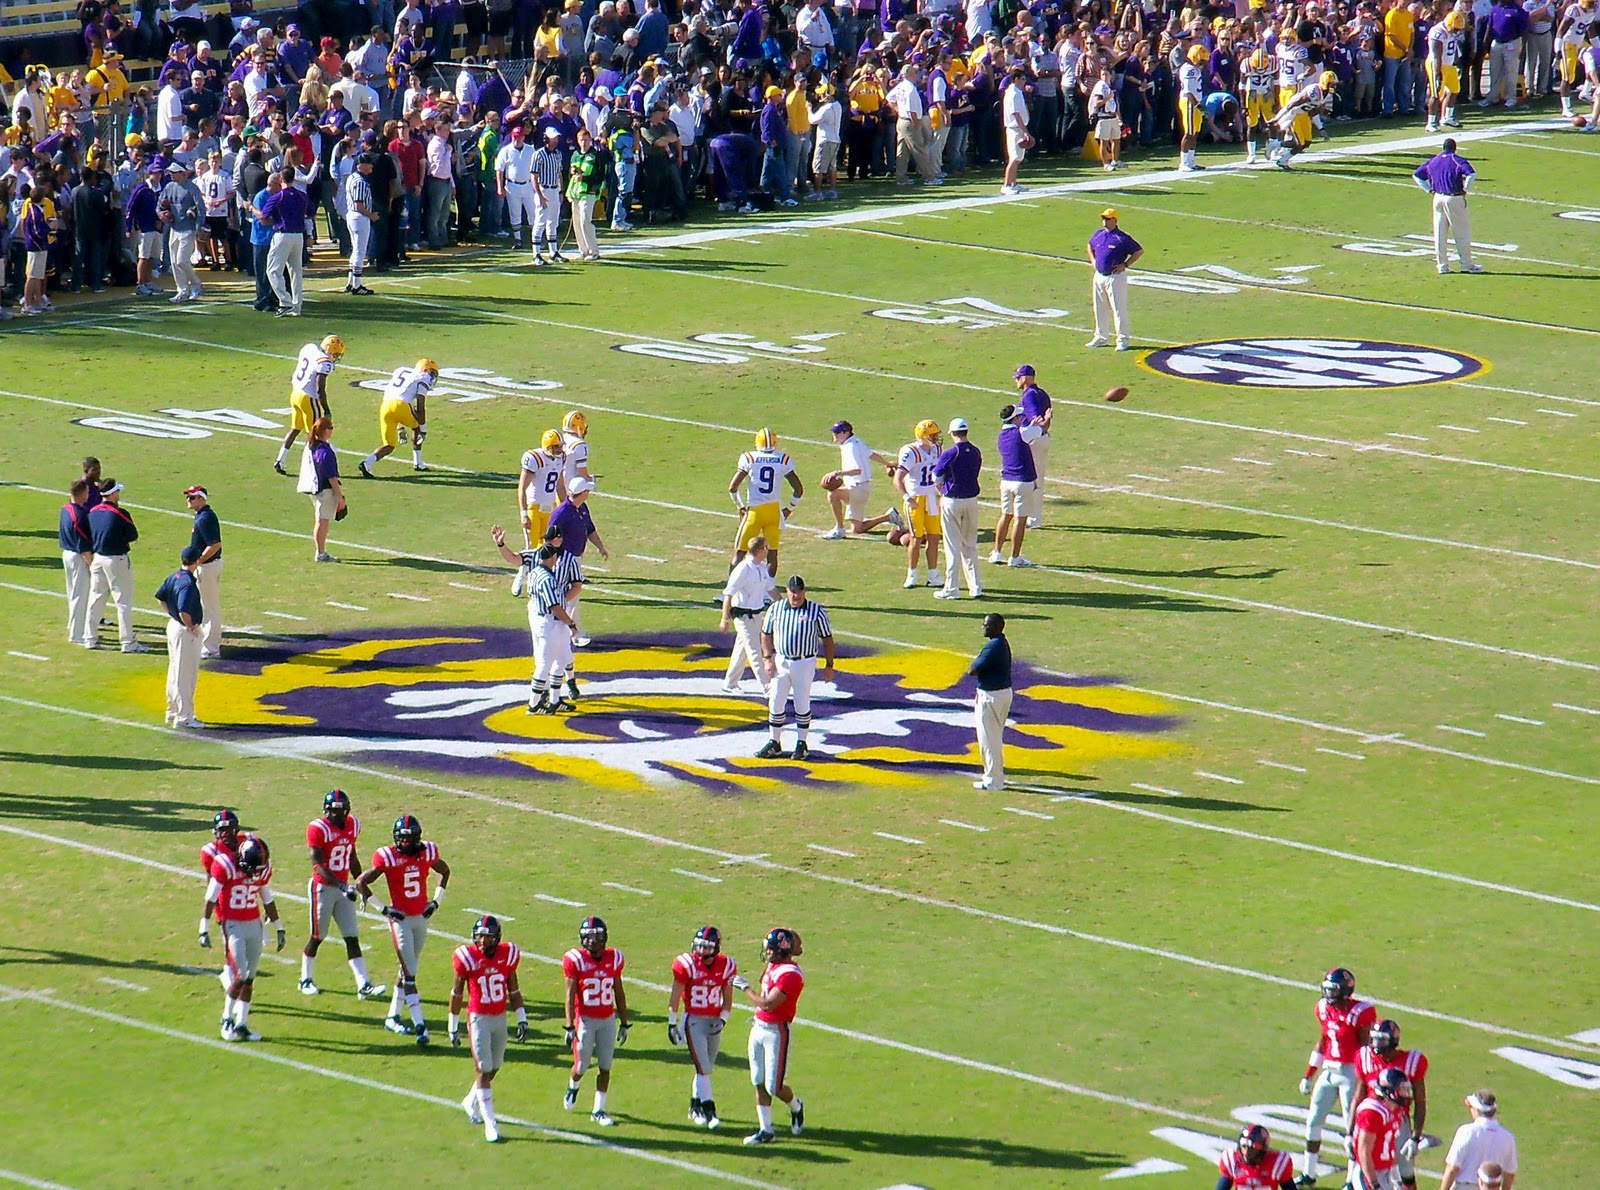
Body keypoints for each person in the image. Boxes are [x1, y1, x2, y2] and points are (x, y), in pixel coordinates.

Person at [356, 814, 451, 1044]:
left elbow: (445, 871)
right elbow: (360, 882)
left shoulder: (428, 851)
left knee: (407, 969)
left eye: (409, 839)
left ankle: (392, 1017)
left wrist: (436, 901)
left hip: (420, 919)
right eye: (402, 838)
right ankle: (421, 1027)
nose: (405, 843)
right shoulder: (387, 856)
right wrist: (384, 910)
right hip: (401, 921)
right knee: (410, 975)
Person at [298, 790, 387, 1003]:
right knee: (318, 936)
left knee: (351, 936)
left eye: (340, 811)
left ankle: (363, 984)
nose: (336, 815)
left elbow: (351, 855)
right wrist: (341, 885)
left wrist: (359, 882)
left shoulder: (353, 824)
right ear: (326, 810)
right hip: (323, 888)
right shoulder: (317, 828)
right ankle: (305, 979)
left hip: (343, 888)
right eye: (333, 810)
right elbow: (318, 865)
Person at [450, 915, 527, 1144]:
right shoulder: (467, 957)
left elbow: (513, 990)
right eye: (480, 936)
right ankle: (491, 1124)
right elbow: (457, 993)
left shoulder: (507, 955)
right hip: (478, 1018)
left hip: (500, 1017)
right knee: (483, 1070)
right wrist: (452, 1026)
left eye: (488, 936)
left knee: (494, 1067)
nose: (482, 940)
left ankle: (470, 1100)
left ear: (497, 938)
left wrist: (522, 1019)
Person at [1298, 966, 1377, 1186]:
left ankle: (1352, 1180)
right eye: (1327, 989)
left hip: (1351, 1072)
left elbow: (1365, 1050)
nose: (1328, 994)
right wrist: (1309, 1074)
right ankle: (1309, 1173)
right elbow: (1323, 1040)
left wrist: (1366, 1080)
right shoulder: (1323, 1008)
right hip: (1329, 1070)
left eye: (1333, 990)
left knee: (1351, 1129)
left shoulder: (1360, 1012)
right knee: (1313, 1120)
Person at [200, 835, 283, 1041]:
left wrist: (279, 926)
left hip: (254, 923)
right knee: (240, 975)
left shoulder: (260, 868)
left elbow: (267, 897)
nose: (256, 872)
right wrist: (204, 927)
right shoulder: (225, 865)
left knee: (250, 977)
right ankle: (227, 1017)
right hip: (233, 924)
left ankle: (242, 1024)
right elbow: (211, 898)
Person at [733, 926, 805, 1146]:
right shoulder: (776, 965)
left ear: (783, 951)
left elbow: (768, 1004)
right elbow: (798, 946)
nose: (769, 953)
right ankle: (766, 1130)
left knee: (775, 1086)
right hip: (758, 1027)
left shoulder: (790, 975)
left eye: (772, 949)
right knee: (758, 1080)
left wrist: (745, 988)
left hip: (777, 1031)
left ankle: (796, 1106)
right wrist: (788, 932)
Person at [757, 574, 835, 761]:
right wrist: (767, 658)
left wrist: (829, 664)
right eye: (793, 592)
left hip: (804, 662)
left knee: (801, 702)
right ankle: (774, 741)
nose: (796, 596)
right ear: (787, 591)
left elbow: (827, 639)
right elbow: (765, 634)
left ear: (804, 592)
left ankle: (802, 743)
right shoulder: (776, 609)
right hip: (781, 661)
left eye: (799, 592)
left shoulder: (816, 611)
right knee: (775, 700)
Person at [562, 915, 629, 1127]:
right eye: (589, 937)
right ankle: (573, 1085)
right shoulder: (576, 961)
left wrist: (625, 1023)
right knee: (581, 1066)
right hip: (586, 1020)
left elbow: (619, 991)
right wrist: (570, 1026)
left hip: (607, 1019)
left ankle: (598, 1110)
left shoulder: (614, 959)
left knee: (605, 1066)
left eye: (597, 936)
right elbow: (570, 995)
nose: (592, 941)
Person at [669, 925, 738, 1129]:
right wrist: (672, 1023)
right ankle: (710, 1111)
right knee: (703, 1068)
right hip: (694, 1021)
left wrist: (723, 1019)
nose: (702, 952)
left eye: (707, 947)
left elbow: (727, 1000)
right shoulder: (687, 965)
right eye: (699, 946)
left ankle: (694, 1106)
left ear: (716, 948)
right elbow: (675, 997)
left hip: (714, 1021)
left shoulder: (726, 966)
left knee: (705, 1068)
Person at [1355, 1020, 1429, 1189]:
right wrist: (1349, 1131)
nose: (1376, 1044)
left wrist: (1415, 1137)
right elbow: (1357, 1096)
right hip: (1372, 1118)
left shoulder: (1411, 1062)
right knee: (1364, 1158)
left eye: (1381, 1040)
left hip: (1397, 1118)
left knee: (1404, 1171)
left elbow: (1420, 1102)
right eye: (1374, 1039)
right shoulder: (1365, 1057)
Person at [729, 427, 802, 579]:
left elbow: (733, 488)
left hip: (755, 512)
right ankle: (767, 592)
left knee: (740, 552)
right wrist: (789, 508)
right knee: (772, 554)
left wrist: (740, 507)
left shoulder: (749, 458)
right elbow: (799, 490)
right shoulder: (783, 459)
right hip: (774, 512)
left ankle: (731, 591)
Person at [85, 479, 148, 653]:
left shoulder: (93, 511)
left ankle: (90, 637)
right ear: (112, 494)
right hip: (117, 560)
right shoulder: (120, 513)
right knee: (123, 602)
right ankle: (127, 642)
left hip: (98, 558)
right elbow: (132, 535)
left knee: (96, 598)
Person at [546, 476, 609, 646]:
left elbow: (590, 529)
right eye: (587, 490)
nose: (589, 493)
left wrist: (600, 547)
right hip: (564, 559)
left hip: (575, 557)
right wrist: (553, 559)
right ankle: (573, 632)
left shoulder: (582, 508)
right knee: (568, 595)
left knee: (573, 595)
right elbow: (550, 537)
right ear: (581, 493)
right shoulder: (562, 512)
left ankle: (569, 630)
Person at [274, 334, 344, 474]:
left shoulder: (309, 348)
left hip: (295, 394)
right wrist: (326, 410)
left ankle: (280, 460)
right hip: (308, 398)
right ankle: (311, 468)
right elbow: (320, 388)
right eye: (335, 354)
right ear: (330, 350)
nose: (335, 357)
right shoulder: (325, 363)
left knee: (295, 428)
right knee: (315, 436)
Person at [1413, 138, 1483, 276]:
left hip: (1438, 197)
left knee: (1439, 233)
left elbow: (1417, 175)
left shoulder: (1433, 161)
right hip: (1454, 197)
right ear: (1454, 148)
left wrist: (1429, 189)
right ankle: (1466, 264)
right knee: (1461, 232)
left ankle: (1442, 266)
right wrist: (1465, 189)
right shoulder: (1457, 160)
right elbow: (1471, 174)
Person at [154, 545, 206, 728]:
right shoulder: (188, 583)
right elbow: (184, 608)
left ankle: (172, 710)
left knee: (175, 670)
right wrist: (190, 626)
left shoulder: (174, 576)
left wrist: (172, 614)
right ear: (196, 561)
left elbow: (161, 597)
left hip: (174, 626)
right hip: (184, 631)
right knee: (186, 674)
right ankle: (184, 717)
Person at [360, 358, 437, 476]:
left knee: (389, 445)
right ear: (425, 370)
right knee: (417, 428)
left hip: (385, 406)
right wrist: (423, 428)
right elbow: (419, 405)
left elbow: (399, 396)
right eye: (431, 372)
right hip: (401, 405)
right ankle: (418, 463)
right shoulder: (423, 377)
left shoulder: (401, 370)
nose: (432, 376)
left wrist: (400, 427)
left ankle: (367, 463)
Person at [720, 535, 777, 695]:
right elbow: (728, 594)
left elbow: (770, 589)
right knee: (755, 651)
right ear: (759, 550)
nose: (767, 550)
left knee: (742, 649)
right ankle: (767, 687)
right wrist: (725, 619)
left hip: (757, 615)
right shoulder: (743, 569)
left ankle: (730, 683)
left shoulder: (762, 567)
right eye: (766, 548)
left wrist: (784, 605)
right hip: (743, 616)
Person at [933, 418, 982, 600]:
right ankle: (976, 586)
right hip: (971, 500)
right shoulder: (976, 451)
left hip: (952, 500)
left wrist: (942, 493)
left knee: (952, 546)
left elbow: (936, 478)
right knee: (970, 544)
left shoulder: (950, 453)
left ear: (952, 433)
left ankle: (952, 588)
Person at [894, 419, 944, 590]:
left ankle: (933, 574)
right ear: (923, 436)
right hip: (916, 498)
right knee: (916, 538)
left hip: (931, 496)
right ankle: (912, 574)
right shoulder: (911, 451)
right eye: (932, 435)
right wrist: (907, 498)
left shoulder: (937, 449)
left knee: (934, 537)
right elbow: (898, 478)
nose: (936, 438)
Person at [991, 404, 1043, 568]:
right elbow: (1042, 430)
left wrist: (1031, 427)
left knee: (1005, 516)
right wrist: (1046, 419)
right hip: (1023, 482)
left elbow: (1026, 435)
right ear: (1014, 419)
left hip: (1006, 481)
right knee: (1020, 520)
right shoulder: (1021, 432)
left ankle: (997, 552)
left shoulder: (1002, 435)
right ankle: (1015, 556)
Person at [1086, 208, 1142, 351]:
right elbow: (1090, 245)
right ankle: (1101, 337)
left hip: (1115, 277)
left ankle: (1122, 339)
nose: (1104, 221)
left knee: (1118, 309)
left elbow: (1138, 251)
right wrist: (1093, 261)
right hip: (1099, 276)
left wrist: (1126, 264)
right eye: (1103, 218)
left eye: (1108, 218)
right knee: (1099, 308)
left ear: (1115, 220)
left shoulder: (1121, 238)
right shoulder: (1099, 234)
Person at [257, 168, 311, 316]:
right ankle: (297, 306)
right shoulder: (301, 195)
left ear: (281, 180)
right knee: (296, 272)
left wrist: (251, 208)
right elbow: (310, 211)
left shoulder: (278, 196)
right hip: (298, 235)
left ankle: (285, 302)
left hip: (283, 234)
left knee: (273, 270)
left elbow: (263, 217)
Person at [1440, 1090, 1518, 1190]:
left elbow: (1452, 1168)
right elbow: (1509, 1174)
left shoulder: (1466, 1132)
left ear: (1477, 1110)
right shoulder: (1508, 1137)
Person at [968, 612, 1012, 789]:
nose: (983, 627)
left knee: (989, 740)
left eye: (986, 625)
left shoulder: (992, 647)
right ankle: (995, 775)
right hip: (1003, 694)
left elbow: (973, 670)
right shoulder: (1002, 643)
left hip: (990, 697)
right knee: (994, 738)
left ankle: (994, 780)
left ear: (995, 627)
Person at [180, 485, 224, 657]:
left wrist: (198, 562)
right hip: (207, 566)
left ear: (201, 499)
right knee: (206, 605)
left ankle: (211, 647)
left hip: (207, 567)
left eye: (192, 497)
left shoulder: (205, 518)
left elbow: (215, 545)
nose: (188, 501)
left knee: (209, 607)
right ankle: (208, 643)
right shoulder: (202, 516)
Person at [1351, 1069, 1412, 1190]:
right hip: (1368, 1174)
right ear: (1389, 1091)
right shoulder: (1372, 1112)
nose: (1406, 1093)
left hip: (1386, 1172)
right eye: (1402, 1089)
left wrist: (1397, 1178)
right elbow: (1364, 1151)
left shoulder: (1395, 1110)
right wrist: (1374, 1184)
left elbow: (1390, 1146)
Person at [297, 417, 346, 562]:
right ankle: (320, 553)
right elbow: (332, 477)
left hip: (315, 488)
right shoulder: (325, 451)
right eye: (330, 428)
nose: (332, 431)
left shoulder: (312, 445)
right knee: (322, 521)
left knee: (321, 520)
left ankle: (321, 551)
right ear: (325, 430)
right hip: (324, 491)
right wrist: (340, 497)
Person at [1013, 364, 1054, 528]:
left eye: (1018, 377)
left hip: (1034, 439)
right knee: (1037, 479)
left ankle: (1033, 518)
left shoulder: (1029, 395)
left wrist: (1035, 427)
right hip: (1042, 438)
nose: (1016, 380)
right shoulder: (1041, 393)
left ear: (1025, 378)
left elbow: (1038, 418)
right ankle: (1034, 516)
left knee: (1032, 480)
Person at [159, 160, 206, 302]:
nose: (171, 175)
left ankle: (196, 284)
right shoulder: (169, 187)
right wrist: (161, 214)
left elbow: (201, 208)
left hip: (188, 228)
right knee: (174, 261)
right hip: (174, 227)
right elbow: (160, 204)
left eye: (174, 172)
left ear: (182, 173)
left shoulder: (192, 188)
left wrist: (198, 226)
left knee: (182, 260)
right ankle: (182, 290)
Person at [59, 479, 95, 647]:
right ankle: (76, 634)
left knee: (73, 593)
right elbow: (84, 546)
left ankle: (73, 626)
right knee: (80, 596)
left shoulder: (66, 508)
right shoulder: (79, 515)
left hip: (66, 553)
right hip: (77, 557)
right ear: (81, 494)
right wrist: (92, 565)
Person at [517, 429, 567, 544]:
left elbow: (560, 487)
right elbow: (522, 488)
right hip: (533, 507)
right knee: (532, 547)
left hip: (549, 508)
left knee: (547, 548)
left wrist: (566, 508)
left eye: (560, 446)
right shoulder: (535, 458)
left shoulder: (562, 458)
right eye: (556, 447)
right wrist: (523, 514)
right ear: (547, 446)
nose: (559, 450)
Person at [495, 122, 538, 250]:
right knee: (515, 213)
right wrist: (500, 186)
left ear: (523, 137)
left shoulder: (530, 150)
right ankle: (518, 239)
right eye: (514, 136)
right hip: (512, 185)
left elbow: (536, 169)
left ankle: (536, 238)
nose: (516, 139)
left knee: (533, 212)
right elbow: (499, 170)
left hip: (528, 184)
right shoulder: (506, 151)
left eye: (518, 136)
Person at [1219, 1124, 1297, 1189]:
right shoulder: (1232, 1161)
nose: (1247, 1152)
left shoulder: (1277, 1163)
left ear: (1263, 1149)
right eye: (1244, 1147)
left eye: (1252, 1149)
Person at [342, 153, 378, 294]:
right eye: (368, 163)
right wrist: (372, 215)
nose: (371, 166)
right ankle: (356, 285)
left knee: (355, 249)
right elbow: (359, 205)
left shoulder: (352, 178)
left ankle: (351, 282)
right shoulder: (360, 182)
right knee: (359, 251)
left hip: (353, 216)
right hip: (359, 217)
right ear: (360, 165)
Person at [1426, 11, 1468, 131]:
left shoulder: (1452, 30)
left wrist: (1456, 62)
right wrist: (1437, 73)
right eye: (1455, 29)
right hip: (1436, 64)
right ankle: (1431, 123)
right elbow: (1436, 55)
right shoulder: (1437, 32)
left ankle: (1447, 117)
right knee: (1436, 94)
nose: (1456, 31)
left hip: (1449, 64)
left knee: (1454, 90)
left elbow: (1453, 47)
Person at [531, 126, 567, 264]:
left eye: (556, 137)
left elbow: (559, 174)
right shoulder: (538, 154)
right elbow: (533, 176)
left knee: (553, 221)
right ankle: (536, 254)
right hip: (543, 189)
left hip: (554, 190)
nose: (556, 140)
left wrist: (561, 191)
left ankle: (553, 251)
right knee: (540, 222)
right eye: (553, 137)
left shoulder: (558, 154)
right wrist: (539, 194)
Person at [1000, 66, 1031, 194]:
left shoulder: (1016, 92)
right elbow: (1016, 114)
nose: (1024, 82)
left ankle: (1014, 182)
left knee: (1018, 157)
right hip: (1015, 128)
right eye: (1022, 79)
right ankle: (1006, 185)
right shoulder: (1013, 94)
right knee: (1014, 158)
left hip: (1018, 127)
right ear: (1016, 79)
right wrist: (1025, 131)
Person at [1178, 45, 1209, 172]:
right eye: (1201, 60)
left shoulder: (1194, 69)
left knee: (1195, 132)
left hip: (1195, 101)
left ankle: (1191, 161)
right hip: (1190, 102)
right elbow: (1188, 91)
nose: (1203, 63)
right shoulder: (1188, 69)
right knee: (1189, 132)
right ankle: (1184, 162)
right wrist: (1197, 105)